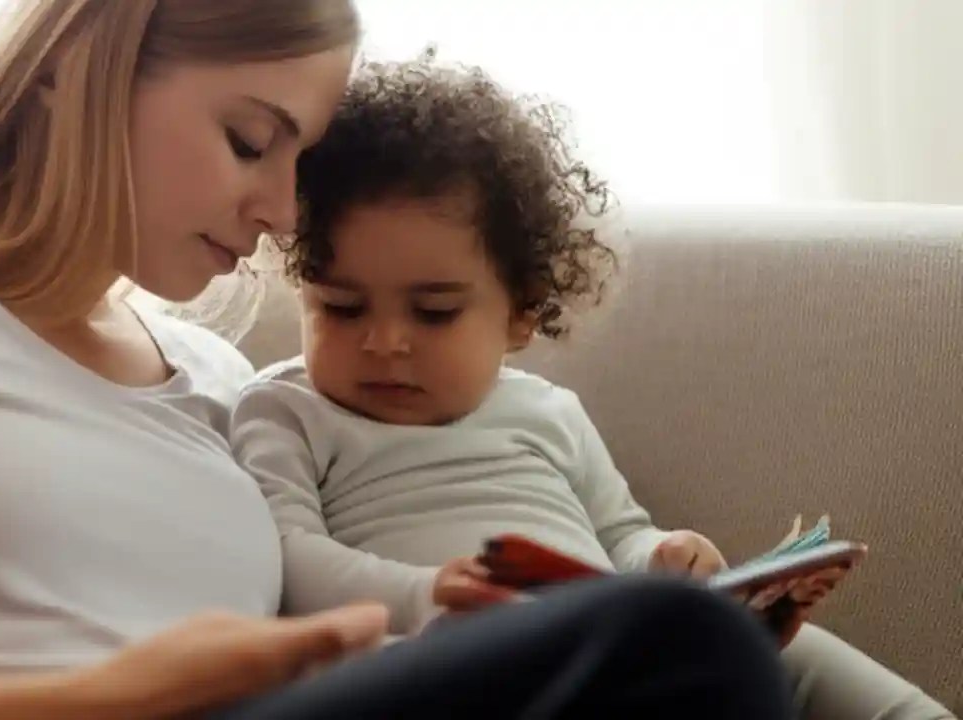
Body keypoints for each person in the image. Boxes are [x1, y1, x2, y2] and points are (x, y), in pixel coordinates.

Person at [0, 1, 796, 718]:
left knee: (681, 649)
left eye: (296, 166)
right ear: (86, 58)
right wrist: (90, 701)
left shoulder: (224, 387)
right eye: (249, 141)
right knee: (671, 646)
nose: (276, 214)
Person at [229, 52, 956, 720]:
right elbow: (287, 555)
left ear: (519, 311)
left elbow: (619, 535)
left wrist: (666, 553)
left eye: (435, 311)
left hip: (606, 641)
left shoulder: (546, 411)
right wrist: (424, 594)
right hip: (432, 658)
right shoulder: (287, 409)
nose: (384, 340)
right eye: (341, 307)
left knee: (781, 649)